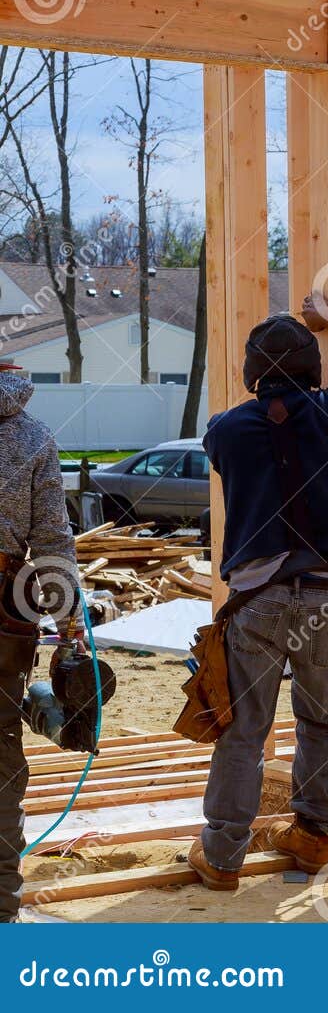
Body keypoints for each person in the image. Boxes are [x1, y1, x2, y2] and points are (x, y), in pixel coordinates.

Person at [188, 291, 328, 890]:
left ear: (253, 374)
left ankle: (224, 855)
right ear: (312, 366)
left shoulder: (223, 432)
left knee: (245, 731)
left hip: (258, 599)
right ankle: (315, 834)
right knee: (322, 721)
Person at [0, 360, 80, 923]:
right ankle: (2, 897)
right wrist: (69, 614)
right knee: (1, 750)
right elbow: (51, 537)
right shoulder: (32, 436)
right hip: (5, 611)